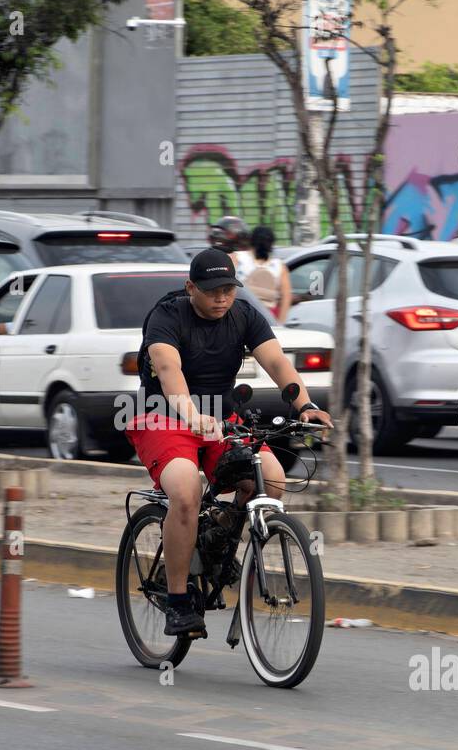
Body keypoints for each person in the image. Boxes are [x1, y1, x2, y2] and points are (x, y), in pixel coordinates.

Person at [124, 248, 334, 638]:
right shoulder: (166, 317)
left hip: (222, 420)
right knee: (186, 490)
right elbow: (170, 373)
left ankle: (221, 536)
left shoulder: (243, 315)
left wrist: (304, 404)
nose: (222, 297)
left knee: (270, 478)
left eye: (229, 289)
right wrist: (192, 416)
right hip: (164, 417)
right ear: (191, 288)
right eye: (212, 290)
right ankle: (178, 601)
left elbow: (276, 363)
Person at [232, 225, 293, 322]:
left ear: (251, 241)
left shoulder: (237, 258)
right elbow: (286, 298)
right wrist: (280, 323)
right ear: (271, 244)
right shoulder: (279, 266)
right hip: (268, 318)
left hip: (240, 316)